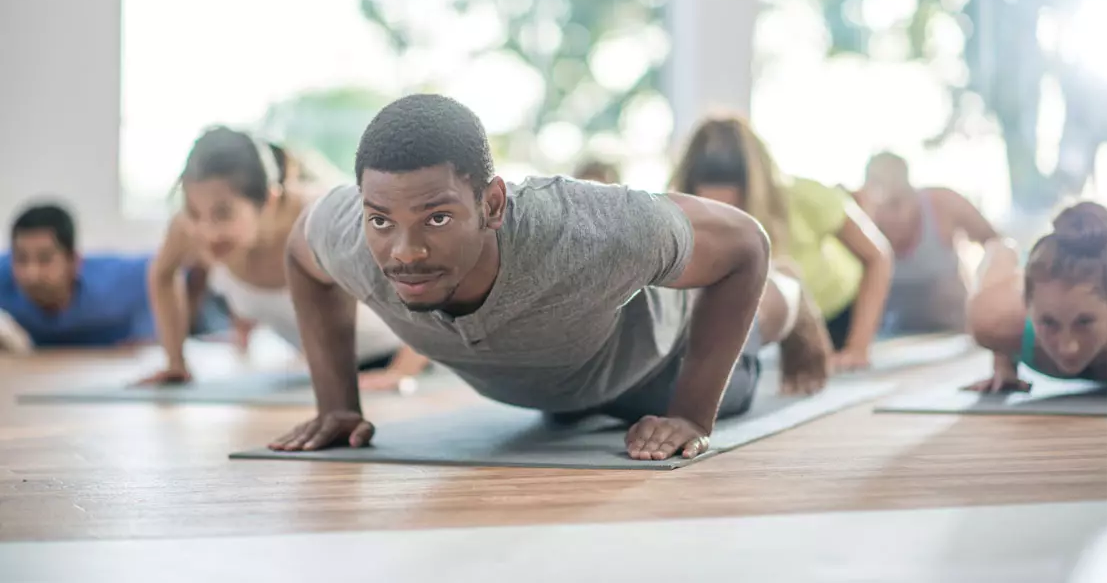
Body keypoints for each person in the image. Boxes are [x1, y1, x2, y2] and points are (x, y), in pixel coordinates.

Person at [266, 94, 832, 461]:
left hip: (658, 364)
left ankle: (793, 291)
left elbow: (744, 243)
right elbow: (300, 252)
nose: (405, 251)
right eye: (382, 220)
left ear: (491, 204)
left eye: (437, 218)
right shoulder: (346, 231)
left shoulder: (587, 228)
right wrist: (337, 402)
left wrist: (689, 414)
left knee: (762, 313)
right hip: (557, 381)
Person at [140, 126, 429, 389]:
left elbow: (425, 275)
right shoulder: (189, 228)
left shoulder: (324, 216)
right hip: (330, 372)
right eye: (193, 211)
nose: (206, 231)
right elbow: (163, 275)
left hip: (412, 357)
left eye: (222, 213)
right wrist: (175, 362)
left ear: (269, 199)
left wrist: (401, 372)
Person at [672, 114, 893, 370]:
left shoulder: (808, 196)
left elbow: (879, 255)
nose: (726, 220)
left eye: (736, 209)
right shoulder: (687, 218)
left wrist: (857, 348)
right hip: (771, 327)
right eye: (715, 209)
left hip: (840, 317)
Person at [966, 201, 1107, 390]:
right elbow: (997, 249)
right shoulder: (995, 320)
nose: (1068, 347)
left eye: (1084, 322)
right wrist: (1003, 362)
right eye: (1048, 323)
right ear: (1027, 306)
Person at [855, 151, 1000, 334]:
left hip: (955, 331)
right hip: (890, 339)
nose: (889, 217)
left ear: (911, 192)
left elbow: (998, 246)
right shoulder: (858, 222)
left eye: (896, 203)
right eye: (881, 205)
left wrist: (985, 299)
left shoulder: (943, 204)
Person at [0, 203, 157, 349]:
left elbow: (167, 270)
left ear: (74, 261)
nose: (32, 274)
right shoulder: (4, 277)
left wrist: (152, 335)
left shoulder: (116, 280)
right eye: (21, 258)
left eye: (45, 259)